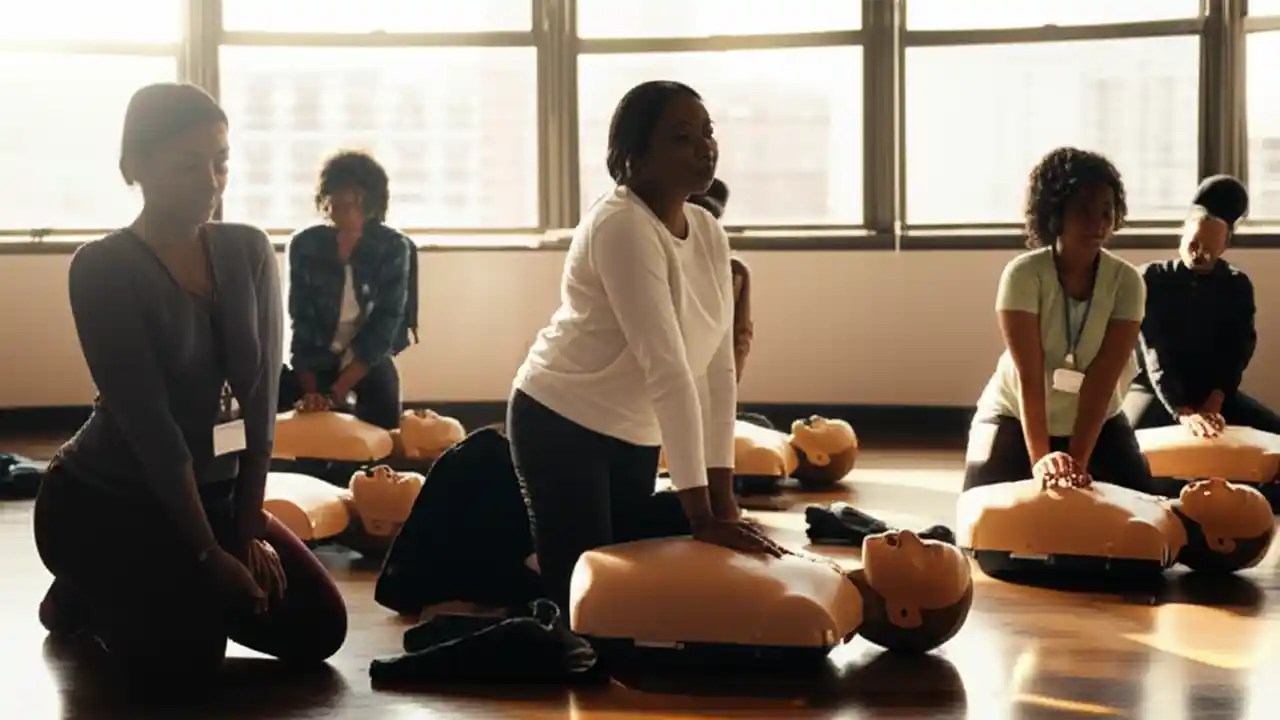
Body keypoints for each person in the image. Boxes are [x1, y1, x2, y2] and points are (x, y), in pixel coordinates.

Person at [32, 83, 347, 693]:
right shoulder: (101, 268)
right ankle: (81, 590)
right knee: (184, 666)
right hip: (106, 500)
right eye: (187, 165)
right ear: (133, 168)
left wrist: (248, 526)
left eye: (221, 162)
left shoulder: (248, 250)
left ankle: (142, 584)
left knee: (317, 629)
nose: (211, 181)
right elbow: (151, 429)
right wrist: (208, 554)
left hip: (218, 495)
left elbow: (259, 404)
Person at [507, 80, 784, 613]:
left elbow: (717, 374)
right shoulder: (621, 226)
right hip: (562, 419)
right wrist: (704, 519)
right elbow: (669, 369)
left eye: (708, 133)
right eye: (682, 137)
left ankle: (534, 554)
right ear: (634, 157)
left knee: (624, 579)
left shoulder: (707, 230)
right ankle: (505, 565)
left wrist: (724, 508)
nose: (704, 147)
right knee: (585, 601)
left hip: (631, 433)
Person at [964, 147, 1151, 493]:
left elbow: (1102, 381)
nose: (1097, 224)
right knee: (986, 514)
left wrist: (1076, 463)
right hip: (1015, 413)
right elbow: (1029, 379)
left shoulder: (1127, 282)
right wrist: (1042, 462)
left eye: (1106, 212)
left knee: (1144, 510)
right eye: (1083, 210)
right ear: (1055, 214)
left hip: (1097, 417)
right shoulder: (1022, 275)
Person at [1124, 175, 1279, 437]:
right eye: (1194, 244)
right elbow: (1156, 353)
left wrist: (1214, 404)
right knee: (1125, 447)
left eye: (1209, 249)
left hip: (1213, 395)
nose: (1199, 254)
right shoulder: (1151, 279)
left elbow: (1237, 353)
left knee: (1274, 437)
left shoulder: (1237, 285)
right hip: (1155, 390)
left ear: (1224, 246)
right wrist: (1183, 412)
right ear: (1182, 233)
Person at [284, 150, 417, 430]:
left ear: (371, 202)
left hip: (367, 357)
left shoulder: (393, 248)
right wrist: (313, 394)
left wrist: (336, 393)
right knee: (287, 401)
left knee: (383, 401)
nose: (345, 206)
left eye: (354, 200)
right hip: (317, 351)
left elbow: (385, 327)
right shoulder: (305, 245)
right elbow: (301, 322)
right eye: (338, 198)